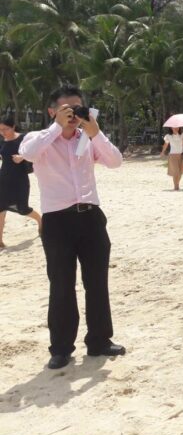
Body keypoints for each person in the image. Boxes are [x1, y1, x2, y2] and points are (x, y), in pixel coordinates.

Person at [20, 86, 124, 370]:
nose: (73, 115)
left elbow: (115, 161)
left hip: (91, 217)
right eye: (67, 109)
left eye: (78, 109)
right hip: (57, 220)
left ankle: (100, 341)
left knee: (97, 282)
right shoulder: (39, 139)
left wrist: (95, 132)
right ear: (52, 111)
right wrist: (56, 127)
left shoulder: (89, 139)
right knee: (62, 284)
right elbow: (27, 153)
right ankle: (62, 348)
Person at [0, 117, 42, 247]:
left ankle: (40, 220)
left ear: (13, 126)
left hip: (20, 179)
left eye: (5, 129)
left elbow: (37, 153)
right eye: (0, 130)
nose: (2, 132)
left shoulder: (24, 138)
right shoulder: (1, 141)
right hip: (3, 179)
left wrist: (22, 157)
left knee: (23, 209)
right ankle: (0, 240)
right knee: (0, 208)